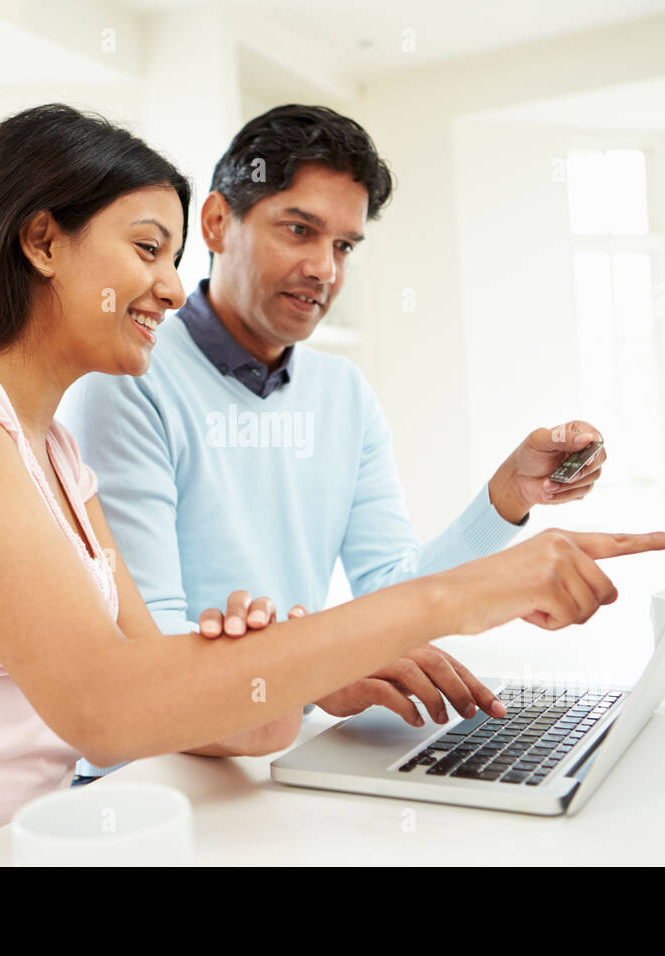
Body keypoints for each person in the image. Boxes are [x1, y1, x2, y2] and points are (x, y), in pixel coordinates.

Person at [0, 103, 665, 866]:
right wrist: (462, 595)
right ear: (42, 241)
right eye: (148, 249)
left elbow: (162, 713)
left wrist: (270, 668)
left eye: (172, 257)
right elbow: (107, 706)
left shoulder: (60, 456)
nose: (171, 287)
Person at [63, 104, 618, 783]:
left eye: (344, 246)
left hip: (277, 756)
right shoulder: (129, 376)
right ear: (215, 224)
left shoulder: (343, 392)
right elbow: (151, 645)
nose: (324, 268)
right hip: (158, 777)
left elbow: (390, 595)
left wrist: (506, 499)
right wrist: (316, 674)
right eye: (299, 230)